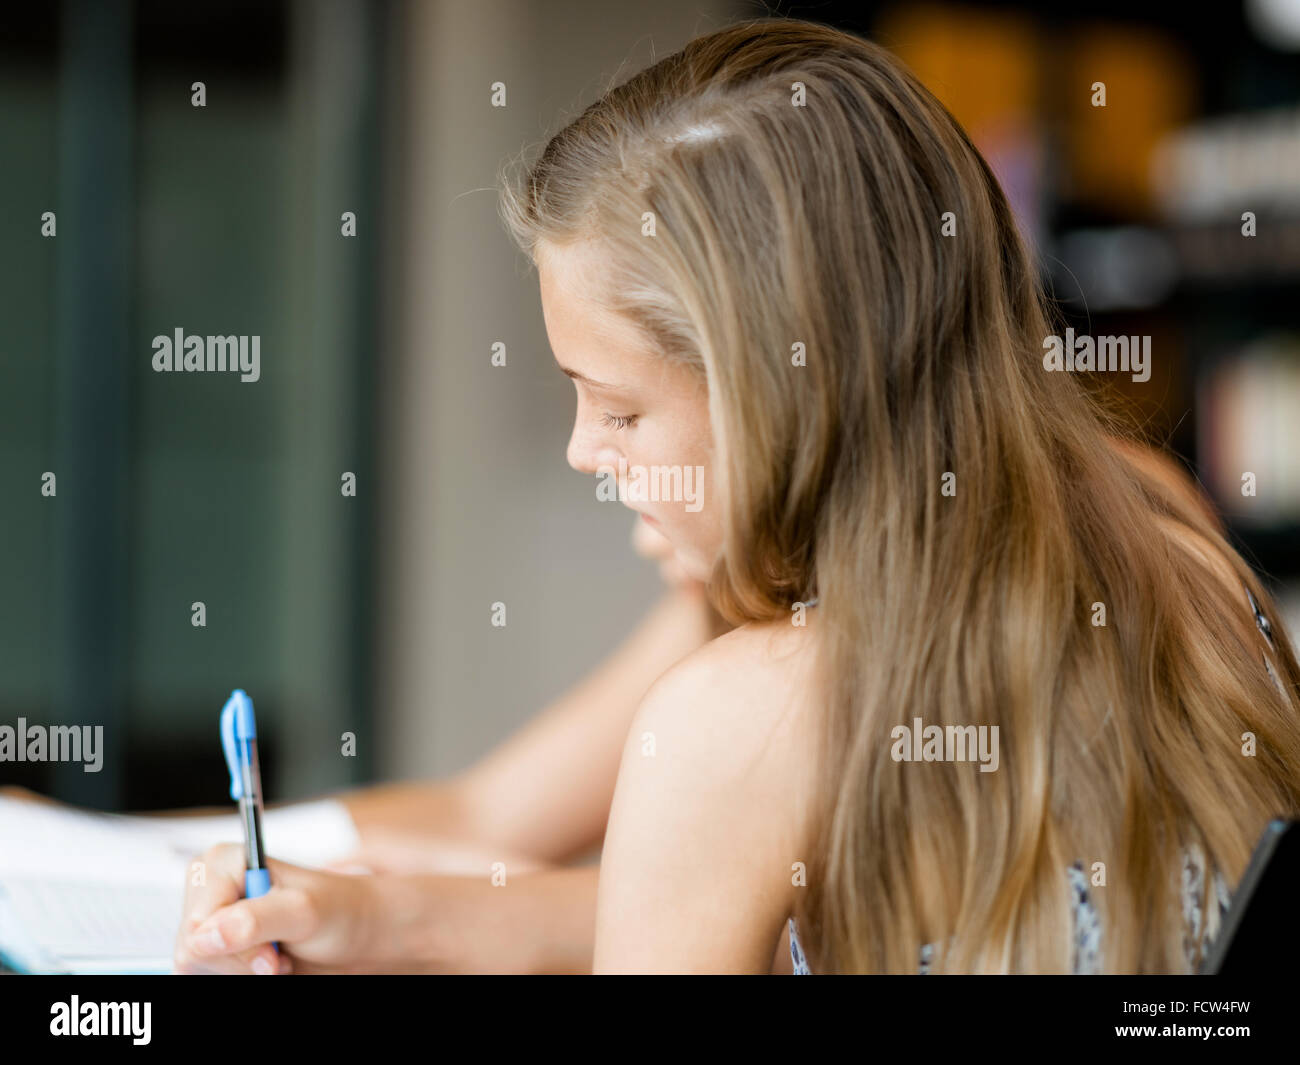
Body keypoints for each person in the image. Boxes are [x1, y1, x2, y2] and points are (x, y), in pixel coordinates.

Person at [22, 17, 1300, 974]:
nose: (585, 452)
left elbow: (698, 859)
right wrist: (385, 918)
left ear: (789, 388)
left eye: (621, 408)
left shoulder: (737, 723)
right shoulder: (1166, 536)